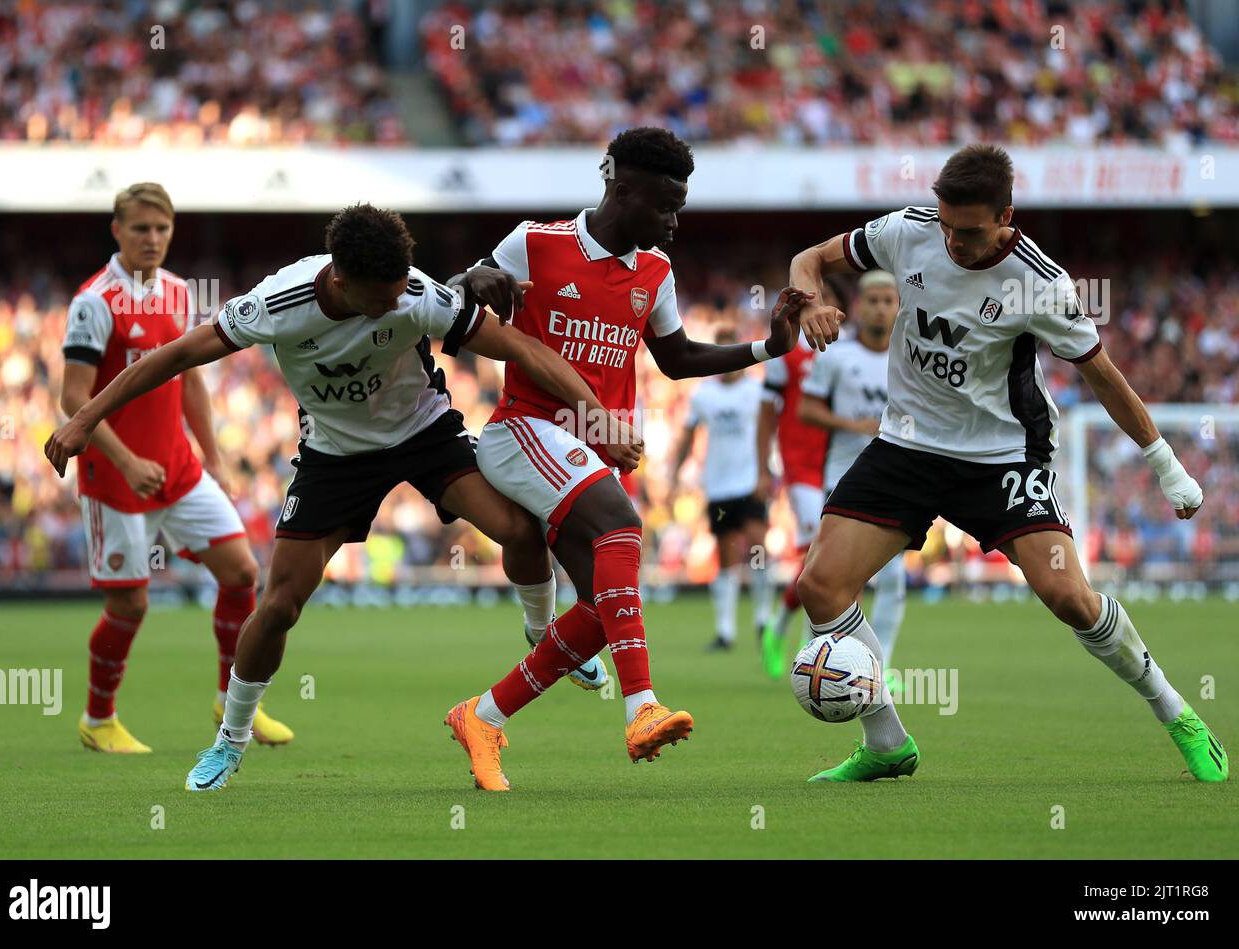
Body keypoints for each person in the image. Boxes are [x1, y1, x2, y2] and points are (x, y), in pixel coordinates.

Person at [47, 203, 639, 791]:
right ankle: (229, 742)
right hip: (335, 455)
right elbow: (176, 355)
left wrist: (600, 416)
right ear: (339, 280)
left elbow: (525, 351)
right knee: (278, 605)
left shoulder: (416, 294)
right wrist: (83, 422)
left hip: (422, 433)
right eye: (378, 299)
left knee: (518, 527)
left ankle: (541, 632)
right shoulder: (279, 302)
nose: (393, 305)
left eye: (398, 293)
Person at [787, 144, 1227, 783]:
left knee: (1068, 596)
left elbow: (1102, 376)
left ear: (1006, 218)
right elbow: (810, 259)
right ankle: (887, 743)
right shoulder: (908, 232)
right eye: (946, 225)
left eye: (968, 232)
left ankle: (1176, 710)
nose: (953, 243)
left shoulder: (1041, 284)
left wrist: (1165, 463)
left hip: (1001, 457)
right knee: (819, 587)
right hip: (907, 445)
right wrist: (809, 298)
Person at [442, 127, 825, 790]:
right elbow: (451, 300)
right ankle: (641, 706)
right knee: (622, 525)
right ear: (624, 191)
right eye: (667, 205)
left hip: (595, 453)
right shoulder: (536, 242)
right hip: (526, 430)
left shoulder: (654, 272)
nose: (676, 221)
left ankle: (481, 715)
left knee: (601, 608)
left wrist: (769, 347)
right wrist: (470, 276)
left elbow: (677, 360)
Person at [60, 182, 291, 754]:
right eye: (141, 228)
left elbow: (191, 378)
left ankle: (229, 701)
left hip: (180, 469)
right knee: (130, 604)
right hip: (116, 478)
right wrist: (126, 459)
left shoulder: (178, 292)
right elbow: (72, 398)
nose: (153, 239)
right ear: (117, 230)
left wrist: (212, 458)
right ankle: (98, 719)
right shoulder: (93, 302)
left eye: (162, 229)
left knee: (241, 573)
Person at [795, 270, 906, 693]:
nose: (880, 308)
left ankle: (881, 666)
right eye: (873, 300)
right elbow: (807, 409)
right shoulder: (836, 356)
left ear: (899, 305)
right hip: (843, 480)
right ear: (859, 306)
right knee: (835, 577)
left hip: (898, 481)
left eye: (888, 300)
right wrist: (851, 424)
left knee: (893, 579)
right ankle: (817, 658)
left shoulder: (911, 356)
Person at [670, 326, 771, 651]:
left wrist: (768, 473)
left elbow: (770, 433)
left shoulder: (758, 391)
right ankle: (726, 631)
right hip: (719, 486)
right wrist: (675, 471)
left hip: (751, 480)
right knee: (727, 558)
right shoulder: (703, 394)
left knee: (758, 549)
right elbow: (687, 435)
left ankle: (762, 621)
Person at [755, 284, 834, 676]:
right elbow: (766, 413)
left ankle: (784, 630)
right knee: (815, 557)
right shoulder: (783, 353)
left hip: (838, 466)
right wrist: (761, 469)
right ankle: (807, 648)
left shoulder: (842, 349)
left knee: (831, 560)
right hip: (799, 465)